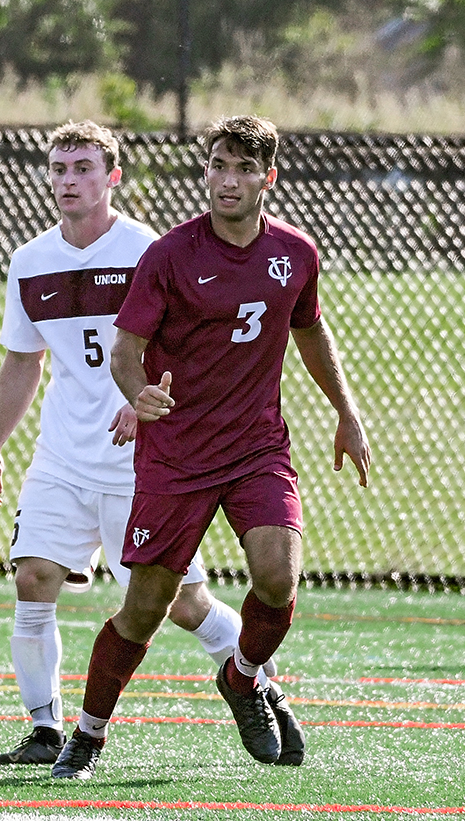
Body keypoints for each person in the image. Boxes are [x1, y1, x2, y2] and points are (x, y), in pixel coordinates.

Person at [50, 116, 371, 780]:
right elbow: (125, 351)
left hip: (258, 448)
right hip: (176, 455)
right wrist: (140, 395)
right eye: (219, 166)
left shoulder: (295, 255)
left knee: (279, 578)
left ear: (267, 178)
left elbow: (311, 333)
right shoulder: (170, 256)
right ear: (207, 172)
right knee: (145, 608)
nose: (229, 180)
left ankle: (243, 674)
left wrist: (347, 412)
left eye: (244, 169)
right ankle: (87, 735)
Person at [0, 120, 287, 768]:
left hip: (142, 457)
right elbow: (22, 361)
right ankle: (45, 730)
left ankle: (256, 681)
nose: (69, 180)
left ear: (112, 177)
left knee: (180, 603)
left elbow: (172, 348)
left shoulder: (149, 249)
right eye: (59, 168)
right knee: (33, 577)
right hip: (61, 453)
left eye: (84, 168)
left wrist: (138, 401)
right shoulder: (30, 261)